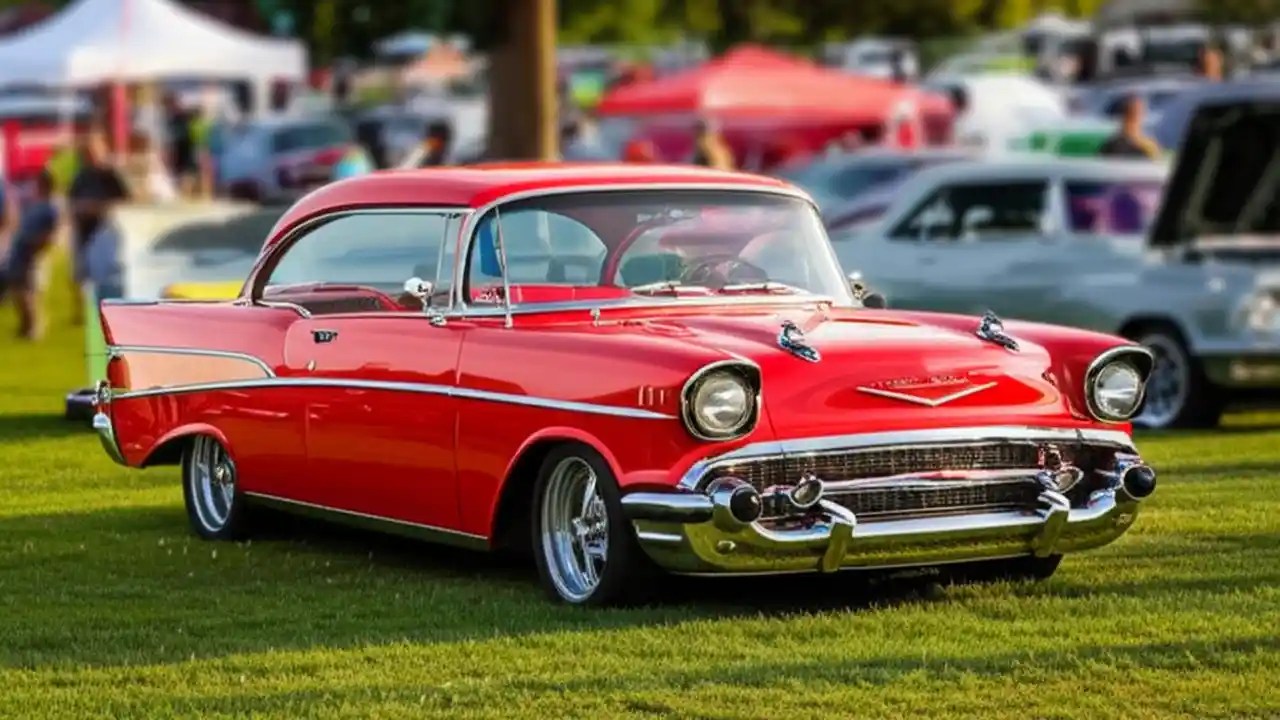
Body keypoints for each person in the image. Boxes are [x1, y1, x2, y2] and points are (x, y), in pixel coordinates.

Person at [68, 130, 130, 323]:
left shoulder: (111, 175)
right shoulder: (81, 177)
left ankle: (111, 313)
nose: (90, 156)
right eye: (86, 152)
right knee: (82, 277)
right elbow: (71, 201)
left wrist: (97, 208)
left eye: (93, 151)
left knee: (107, 280)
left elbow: (126, 203)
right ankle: (85, 315)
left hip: (105, 233)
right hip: (84, 231)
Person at [1, 171, 59, 339]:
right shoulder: (35, 204)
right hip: (22, 250)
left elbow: (52, 232)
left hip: (34, 252)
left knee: (29, 291)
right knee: (18, 289)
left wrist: (39, 247)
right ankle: (25, 325)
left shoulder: (50, 207)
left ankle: (35, 327)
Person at [1098, 95, 1162, 160]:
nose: (1134, 120)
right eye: (1130, 115)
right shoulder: (1111, 144)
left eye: (1137, 114)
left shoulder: (1149, 146)